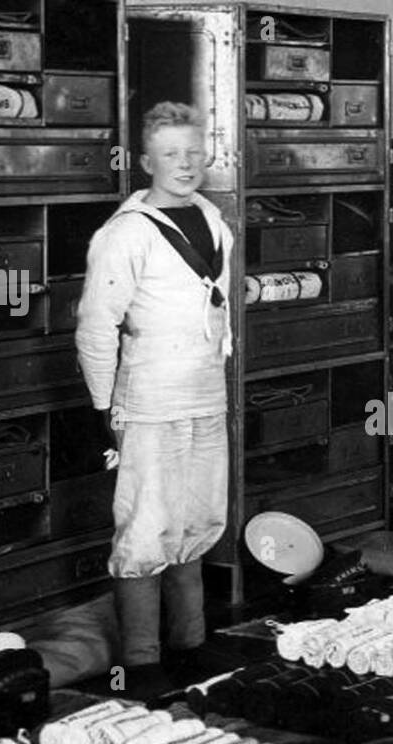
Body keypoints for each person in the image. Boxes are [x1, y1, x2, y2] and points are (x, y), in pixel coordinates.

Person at [76, 102, 234, 694]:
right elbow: (96, 326)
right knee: (147, 524)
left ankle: (191, 645)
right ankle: (141, 663)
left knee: (196, 518)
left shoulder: (215, 221)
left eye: (194, 151)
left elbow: (220, 317)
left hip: (203, 394)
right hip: (149, 399)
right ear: (146, 161)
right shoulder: (126, 233)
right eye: (170, 154)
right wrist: (101, 408)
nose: (185, 164)